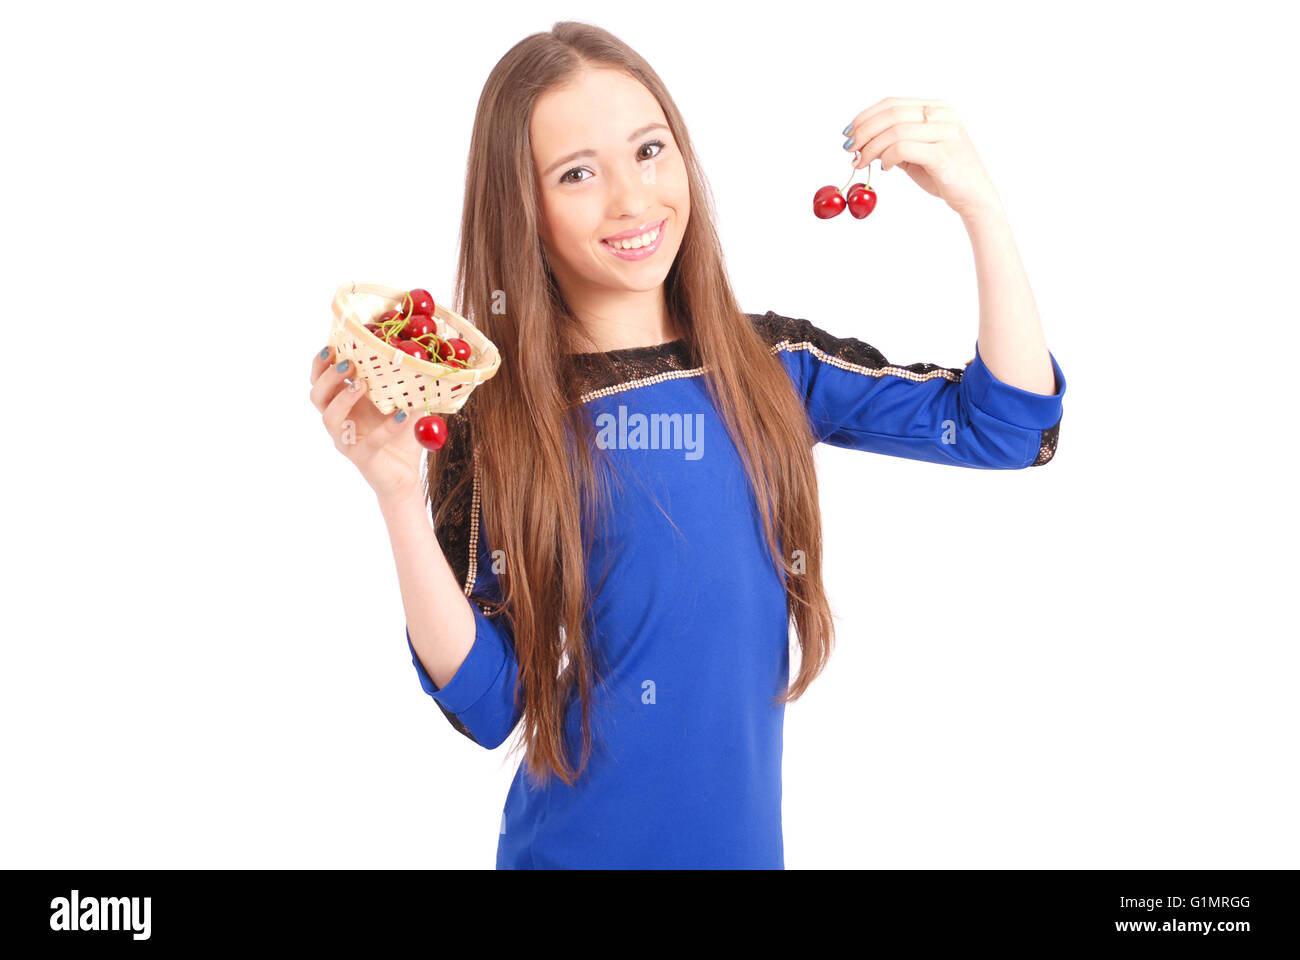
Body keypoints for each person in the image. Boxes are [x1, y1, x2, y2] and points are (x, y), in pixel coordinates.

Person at [307, 21, 1066, 869]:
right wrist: (396, 494)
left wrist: (980, 206)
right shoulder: (497, 416)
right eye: (577, 173)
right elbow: (487, 706)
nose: (632, 200)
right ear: (524, 205)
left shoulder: (773, 367)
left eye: (649, 150)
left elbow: (1011, 428)